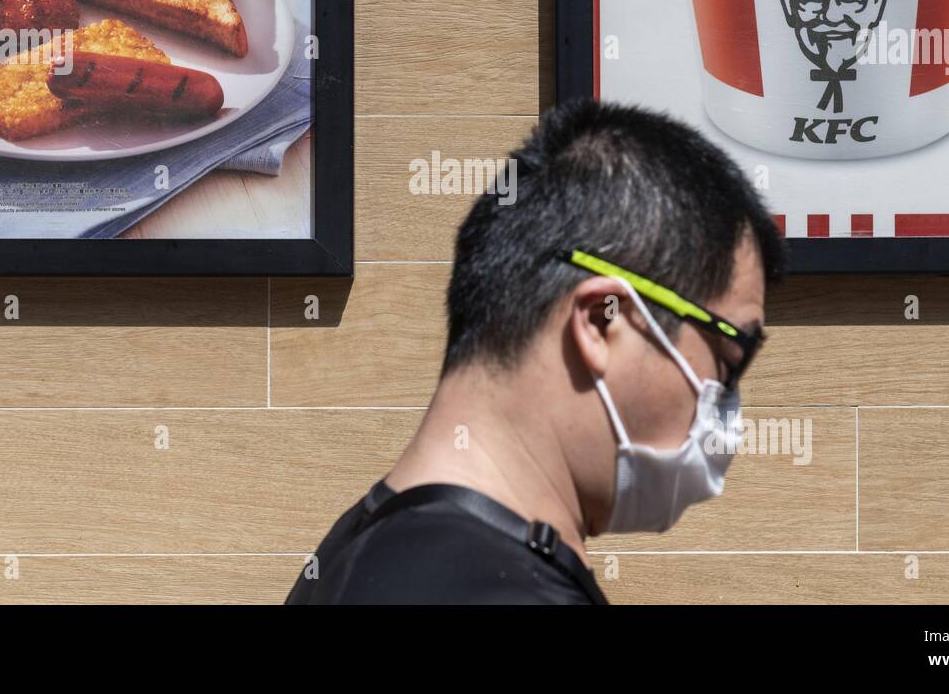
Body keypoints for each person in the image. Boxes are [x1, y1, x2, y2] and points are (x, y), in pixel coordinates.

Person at [286, 99, 783, 604]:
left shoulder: (363, 549)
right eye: (731, 357)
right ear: (600, 322)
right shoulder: (492, 590)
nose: (728, 413)